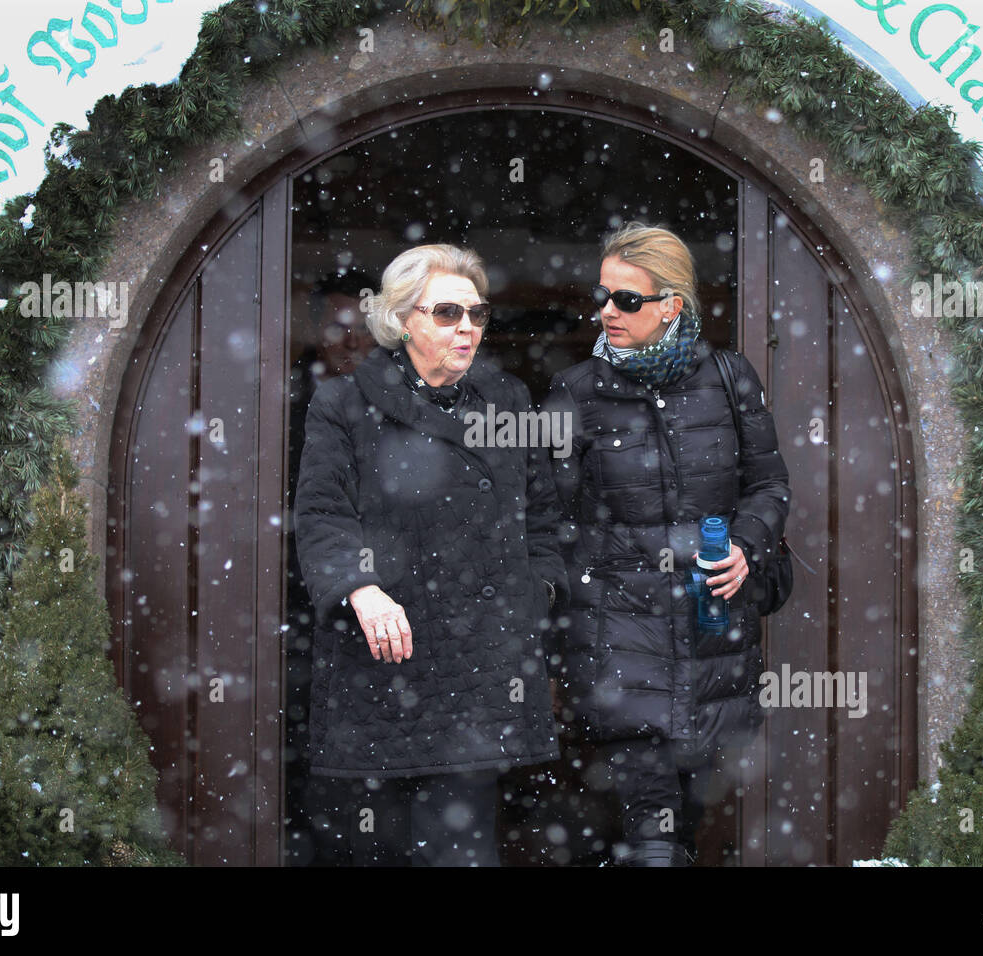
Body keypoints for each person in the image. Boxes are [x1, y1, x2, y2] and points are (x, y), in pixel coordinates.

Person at [293, 243, 566, 866]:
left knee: (461, 851)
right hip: (384, 667)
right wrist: (360, 588)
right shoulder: (344, 404)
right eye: (447, 313)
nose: (467, 328)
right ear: (402, 319)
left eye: (476, 314)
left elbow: (545, 519)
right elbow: (323, 515)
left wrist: (536, 593)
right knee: (377, 849)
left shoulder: (507, 402)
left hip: (478, 669)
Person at [543, 222, 791, 865]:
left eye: (627, 300)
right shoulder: (577, 392)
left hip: (714, 646)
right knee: (652, 839)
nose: (607, 312)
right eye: (603, 296)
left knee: (689, 832)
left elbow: (768, 485)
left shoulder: (731, 379)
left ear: (672, 305)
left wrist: (745, 546)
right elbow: (552, 523)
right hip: (623, 645)